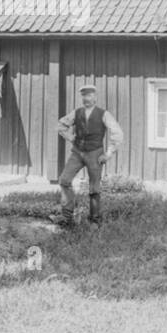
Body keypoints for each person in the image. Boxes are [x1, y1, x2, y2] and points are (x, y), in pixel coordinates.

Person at [53, 84, 124, 228]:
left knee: (94, 188)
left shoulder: (104, 114)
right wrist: (71, 138)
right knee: (64, 180)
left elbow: (118, 134)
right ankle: (67, 217)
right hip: (77, 153)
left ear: (95, 97)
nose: (86, 98)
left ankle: (94, 221)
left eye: (90, 95)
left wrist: (108, 153)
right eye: (84, 95)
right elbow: (60, 126)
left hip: (95, 154)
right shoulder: (76, 112)